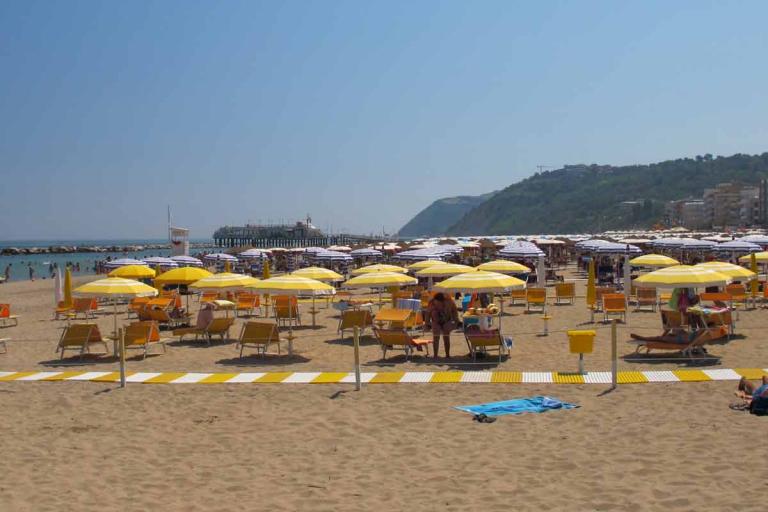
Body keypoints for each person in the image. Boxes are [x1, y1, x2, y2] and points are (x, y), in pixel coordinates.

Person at [428, 292, 458, 358]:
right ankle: (437, 355)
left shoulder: (449, 301)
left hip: (446, 321)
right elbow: (428, 313)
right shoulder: (432, 302)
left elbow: (454, 311)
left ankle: (446, 355)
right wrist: (427, 323)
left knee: (445, 338)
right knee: (437, 338)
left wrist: (456, 320)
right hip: (436, 321)